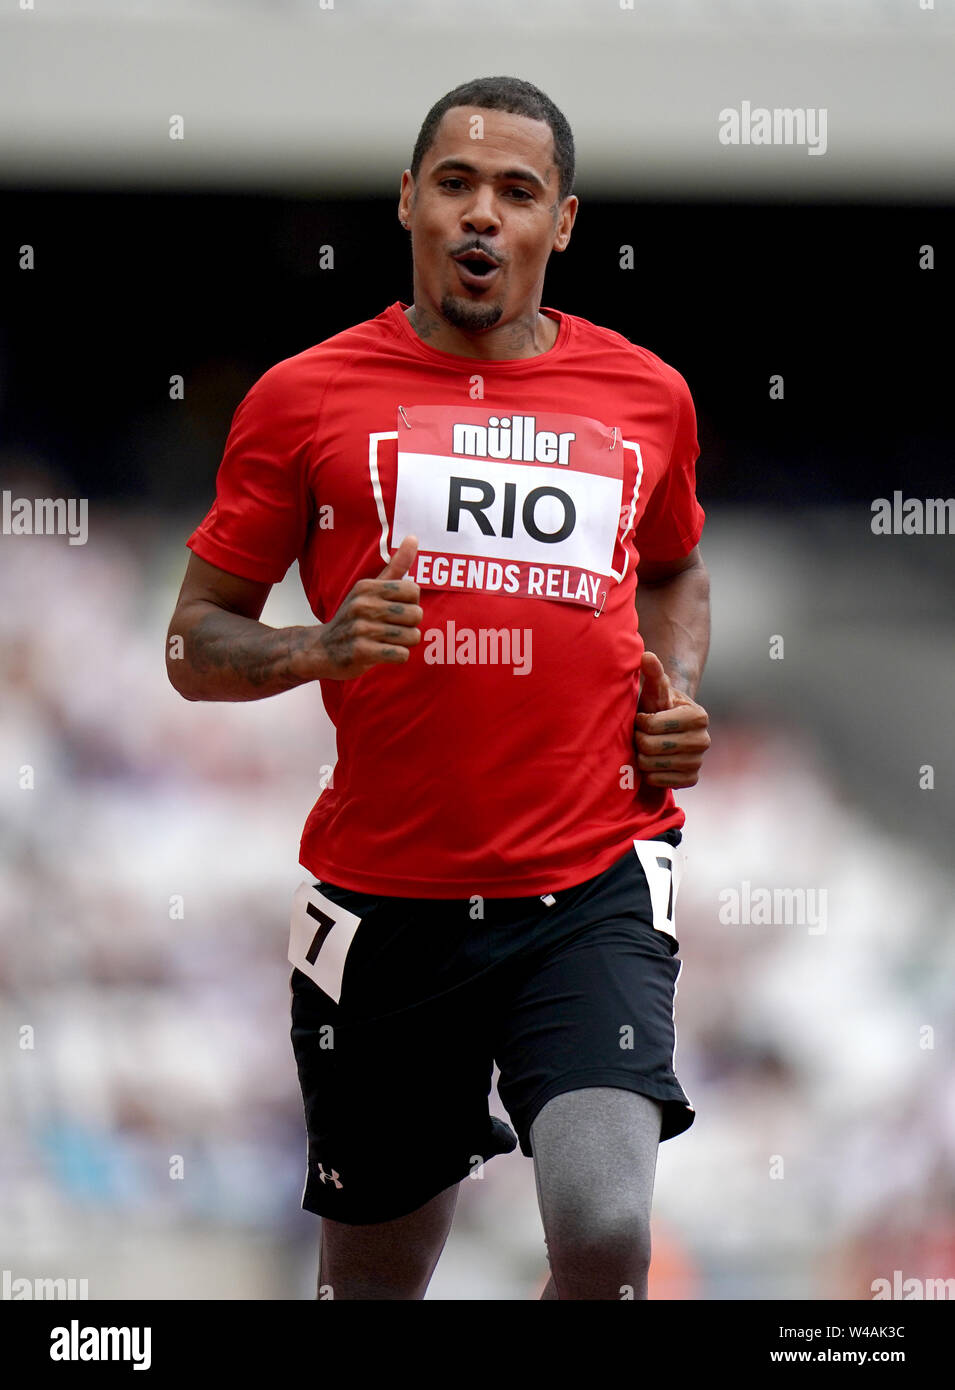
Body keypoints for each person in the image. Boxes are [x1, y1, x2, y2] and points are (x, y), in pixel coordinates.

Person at [166, 74, 711, 1301]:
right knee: (372, 1283)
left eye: (516, 191)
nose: (481, 213)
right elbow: (191, 642)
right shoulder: (303, 397)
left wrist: (672, 693)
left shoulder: (647, 395)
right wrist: (317, 647)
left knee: (605, 1229)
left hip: (590, 883)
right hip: (388, 902)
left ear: (561, 222)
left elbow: (677, 568)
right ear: (408, 200)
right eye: (455, 184)